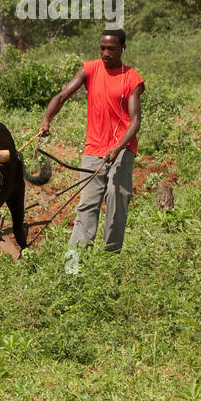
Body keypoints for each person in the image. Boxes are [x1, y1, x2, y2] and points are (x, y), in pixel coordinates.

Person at [39, 28, 145, 252]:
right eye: (102, 48)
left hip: (122, 147)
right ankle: (73, 262)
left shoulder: (131, 78)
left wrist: (118, 148)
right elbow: (62, 95)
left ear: (122, 48)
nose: (106, 53)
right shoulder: (90, 69)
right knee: (87, 204)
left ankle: (110, 258)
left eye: (111, 49)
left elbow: (135, 121)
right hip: (94, 148)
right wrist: (46, 120)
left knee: (116, 199)